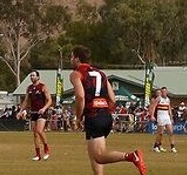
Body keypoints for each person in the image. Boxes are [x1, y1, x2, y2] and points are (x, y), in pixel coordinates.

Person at [70, 45, 146, 175]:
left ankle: (131, 156)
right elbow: (112, 98)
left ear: (77, 58)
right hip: (104, 115)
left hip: (94, 117)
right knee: (94, 153)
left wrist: (78, 117)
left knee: (99, 156)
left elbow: (80, 96)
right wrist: (103, 110)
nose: (70, 59)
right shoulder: (101, 74)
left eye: (71, 56)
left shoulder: (76, 74)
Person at [23, 70, 51, 161]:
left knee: (39, 130)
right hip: (33, 112)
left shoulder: (43, 87)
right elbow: (26, 101)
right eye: (31, 76)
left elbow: (50, 100)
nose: (32, 77)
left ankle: (46, 149)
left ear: (38, 77)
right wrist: (20, 111)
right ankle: (38, 155)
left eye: (33, 75)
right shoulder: (29, 88)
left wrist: (44, 108)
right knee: (35, 134)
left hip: (41, 113)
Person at [149, 87, 175, 153]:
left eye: (165, 91)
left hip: (167, 116)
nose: (164, 93)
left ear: (167, 92)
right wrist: (152, 116)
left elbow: (169, 108)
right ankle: (156, 146)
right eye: (162, 92)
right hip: (160, 116)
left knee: (171, 132)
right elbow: (154, 107)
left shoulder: (168, 99)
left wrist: (171, 117)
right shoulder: (159, 98)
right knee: (160, 133)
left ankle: (172, 147)